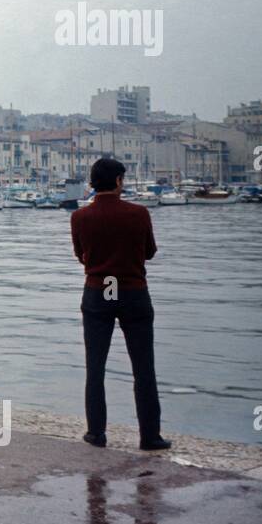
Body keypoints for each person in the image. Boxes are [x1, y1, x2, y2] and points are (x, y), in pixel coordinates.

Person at [70, 157, 170, 452]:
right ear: (118, 182)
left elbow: (81, 256)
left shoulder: (79, 217)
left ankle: (96, 433)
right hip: (133, 293)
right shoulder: (138, 214)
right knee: (144, 368)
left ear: (92, 183)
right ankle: (150, 436)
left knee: (95, 367)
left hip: (99, 293)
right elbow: (149, 252)